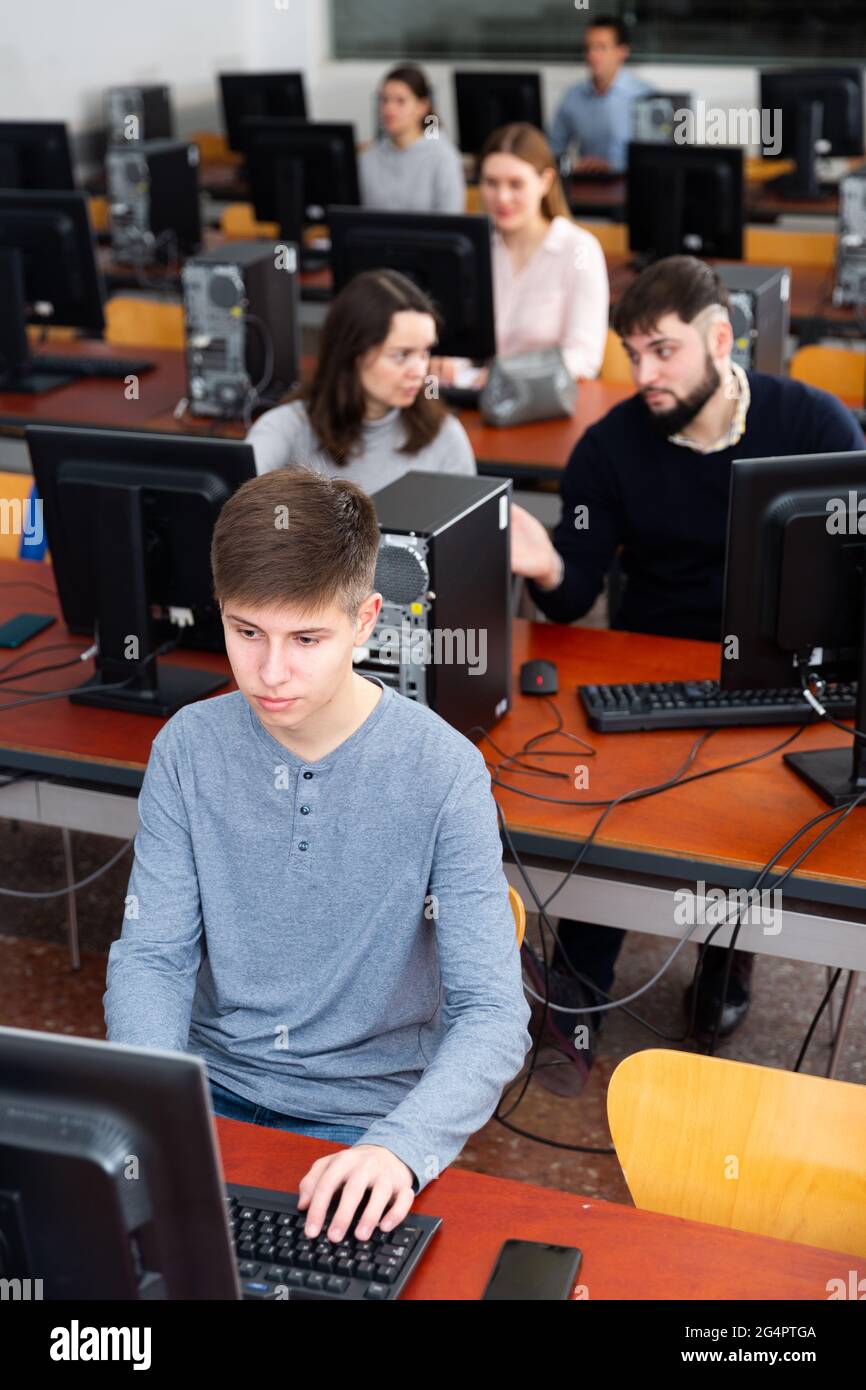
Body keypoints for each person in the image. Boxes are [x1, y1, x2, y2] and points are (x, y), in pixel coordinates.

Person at [104, 466, 532, 1242]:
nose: (271, 673)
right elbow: (154, 960)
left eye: (306, 639)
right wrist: (148, 1105)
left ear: (367, 620)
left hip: (364, 1120)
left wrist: (400, 1149)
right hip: (205, 1096)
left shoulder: (443, 772)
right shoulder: (187, 749)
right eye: (246, 633)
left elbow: (492, 1012)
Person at [510, 254, 865, 1084]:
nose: (644, 375)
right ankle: (582, 990)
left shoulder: (813, 422)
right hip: (653, 669)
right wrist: (548, 567)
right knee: (613, 812)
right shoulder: (611, 446)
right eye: (631, 354)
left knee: (752, 823)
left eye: (662, 351)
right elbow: (574, 600)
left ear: (718, 338)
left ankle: (724, 954)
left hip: (790, 677)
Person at [247, 268, 476, 491]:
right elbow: (234, 509)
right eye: (401, 355)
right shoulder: (286, 428)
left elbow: (471, 528)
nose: (419, 371)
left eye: (425, 352)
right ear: (353, 354)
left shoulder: (445, 435)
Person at [437, 123, 609, 389]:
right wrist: (450, 361)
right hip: (478, 397)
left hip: (544, 403)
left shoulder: (578, 249)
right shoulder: (471, 247)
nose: (502, 197)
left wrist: (512, 377)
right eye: (491, 183)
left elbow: (583, 357)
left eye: (516, 184)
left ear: (545, 182)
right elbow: (462, 340)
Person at [549, 15, 653, 174]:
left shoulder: (644, 96)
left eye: (601, 47)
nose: (592, 55)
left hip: (632, 184)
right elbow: (553, 149)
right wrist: (572, 165)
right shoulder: (573, 96)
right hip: (586, 185)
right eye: (589, 47)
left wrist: (614, 165)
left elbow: (653, 156)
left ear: (622, 51)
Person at [360, 62, 466, 214]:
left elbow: (452, 220)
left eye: (400, 101)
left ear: (422, 107)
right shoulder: (367, 158)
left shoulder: (443, 157)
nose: (389, 109)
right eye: (384, 100)